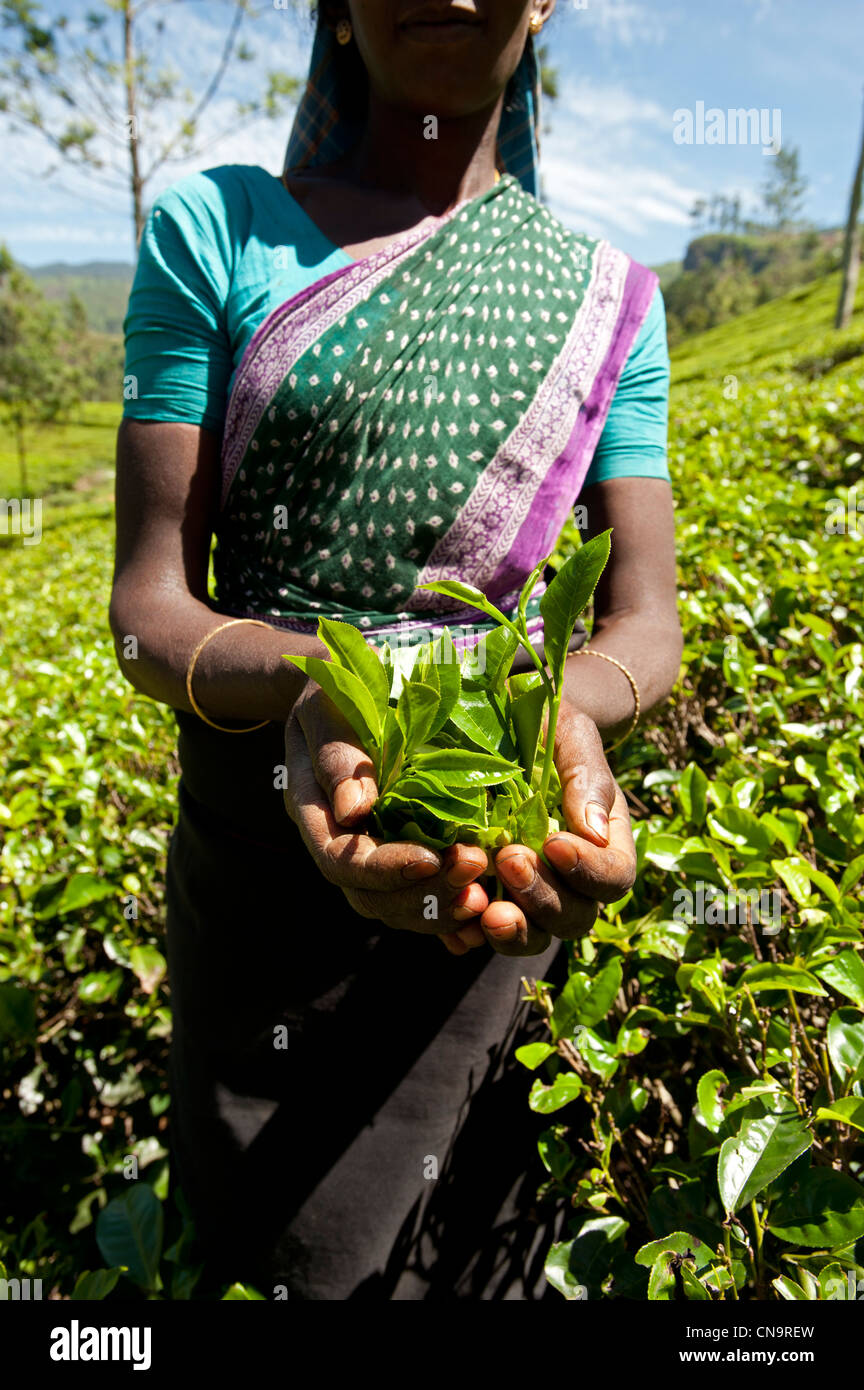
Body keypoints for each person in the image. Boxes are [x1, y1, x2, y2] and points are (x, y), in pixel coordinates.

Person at [110, 0, 682, 1299]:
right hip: (261, 874)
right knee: (278, 1251)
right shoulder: (217, 230)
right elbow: (152, 605)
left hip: (497, 865)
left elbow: (643, 618)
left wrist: (568, 713)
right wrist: (322, 683)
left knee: (479, 1246)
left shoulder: (612, 299)